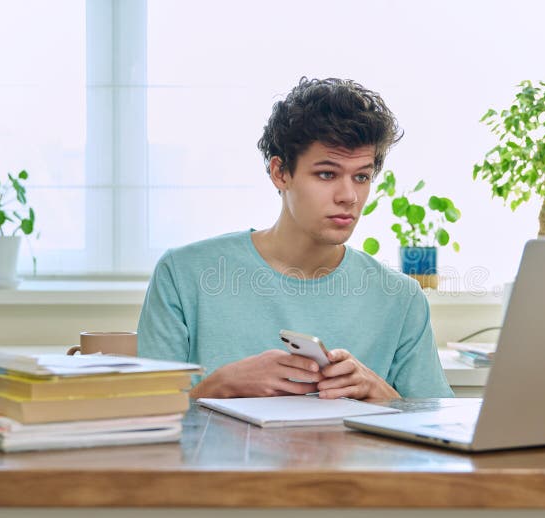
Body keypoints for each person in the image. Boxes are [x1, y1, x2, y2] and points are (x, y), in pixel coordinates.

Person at [137, 77, 453, 400]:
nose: (349, 196)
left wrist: (384, 395)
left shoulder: (402, 299)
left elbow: (441, 432)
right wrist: (220, 386)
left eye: (361, 177)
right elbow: (145, 422)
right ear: (280, 172)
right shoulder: (182, 274)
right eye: (327, 174)